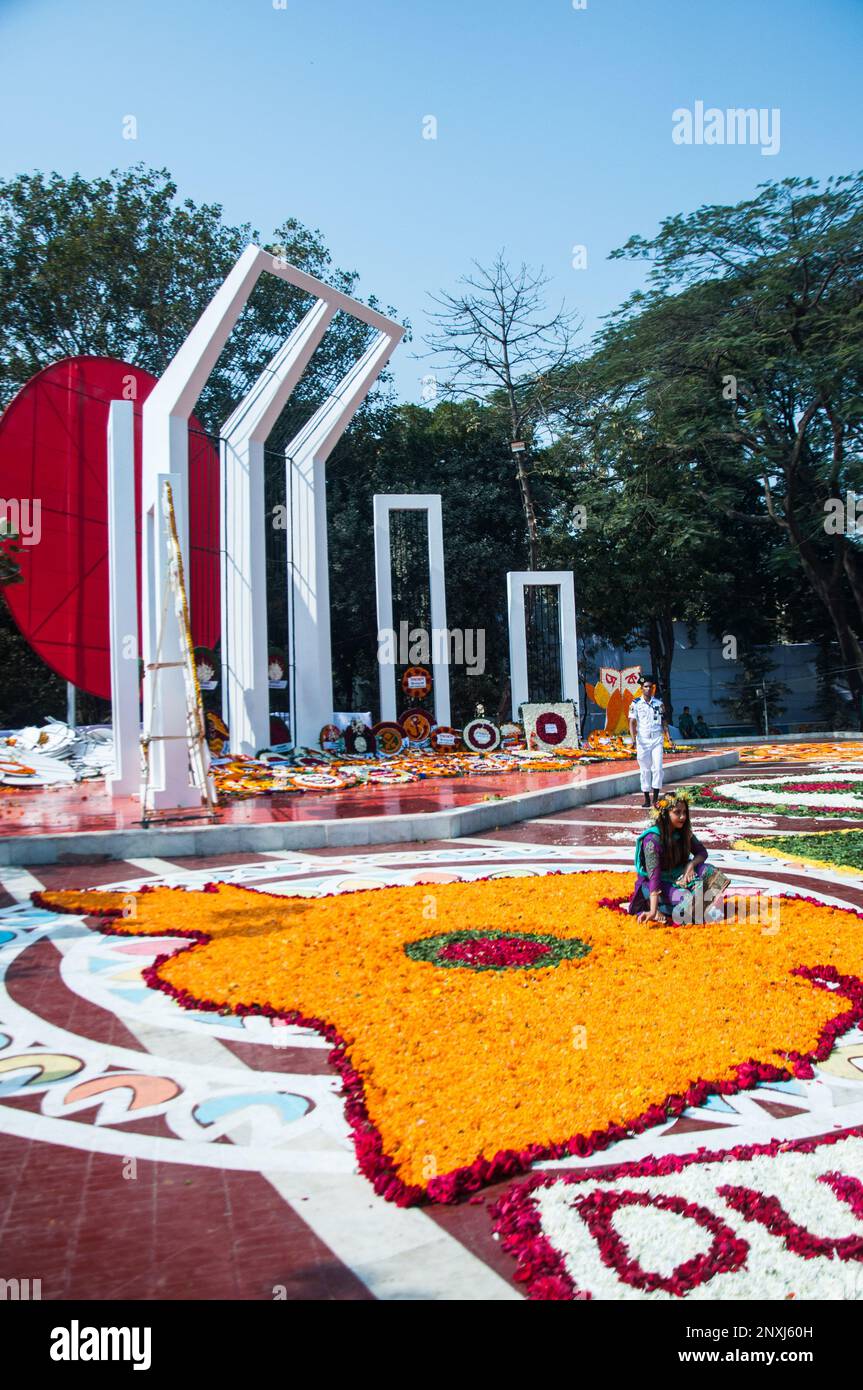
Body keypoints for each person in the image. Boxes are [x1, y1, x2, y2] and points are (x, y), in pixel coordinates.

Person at [629, 794, 730, 924]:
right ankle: (656, 906)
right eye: (677, 812)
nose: (683, 817)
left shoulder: (683, 832)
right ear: (665, 814)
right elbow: (654, 877)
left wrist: (691, 865)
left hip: (679, 877)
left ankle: (690, 909)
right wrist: (653, 911)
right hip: (655, 884)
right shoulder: (652, 840)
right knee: (685, 897)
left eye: (684, 812)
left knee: (711, 873)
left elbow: (701, 852)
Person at [628, 674, 667, 808]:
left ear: (653, 688)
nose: (648, 689)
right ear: (641, 688)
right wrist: (633, 740)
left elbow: (664, 721)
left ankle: (655, 798)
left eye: (650, 687)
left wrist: (669, 736)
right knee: (645, 770)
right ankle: (646, 799)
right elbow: (632, 722)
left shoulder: (659, 703)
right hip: (643, 740)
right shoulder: (635, 704)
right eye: (645, 687)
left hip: (657, 739)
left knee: (658, 768)